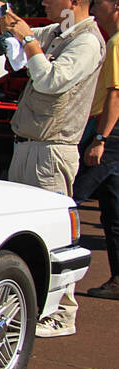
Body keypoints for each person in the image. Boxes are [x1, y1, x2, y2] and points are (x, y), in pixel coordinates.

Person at [0, 0, 104, 336]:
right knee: (20, 229)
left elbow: (50, 80)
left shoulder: (86, 42)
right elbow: (17, 41)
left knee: (53, 234)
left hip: (53, 150)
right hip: (29, 144)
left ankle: (63, 312)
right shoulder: (60, 32)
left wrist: (28, 40)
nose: (43, 2)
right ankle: (36, 304)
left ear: (73, 2)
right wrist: (4, 17)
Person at [71, 0, 119, 300]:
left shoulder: (115, 43)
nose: (94, 5)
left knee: (68, 199)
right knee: (113, 213)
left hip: (108, 133)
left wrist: (100, 138)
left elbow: (115, 94)